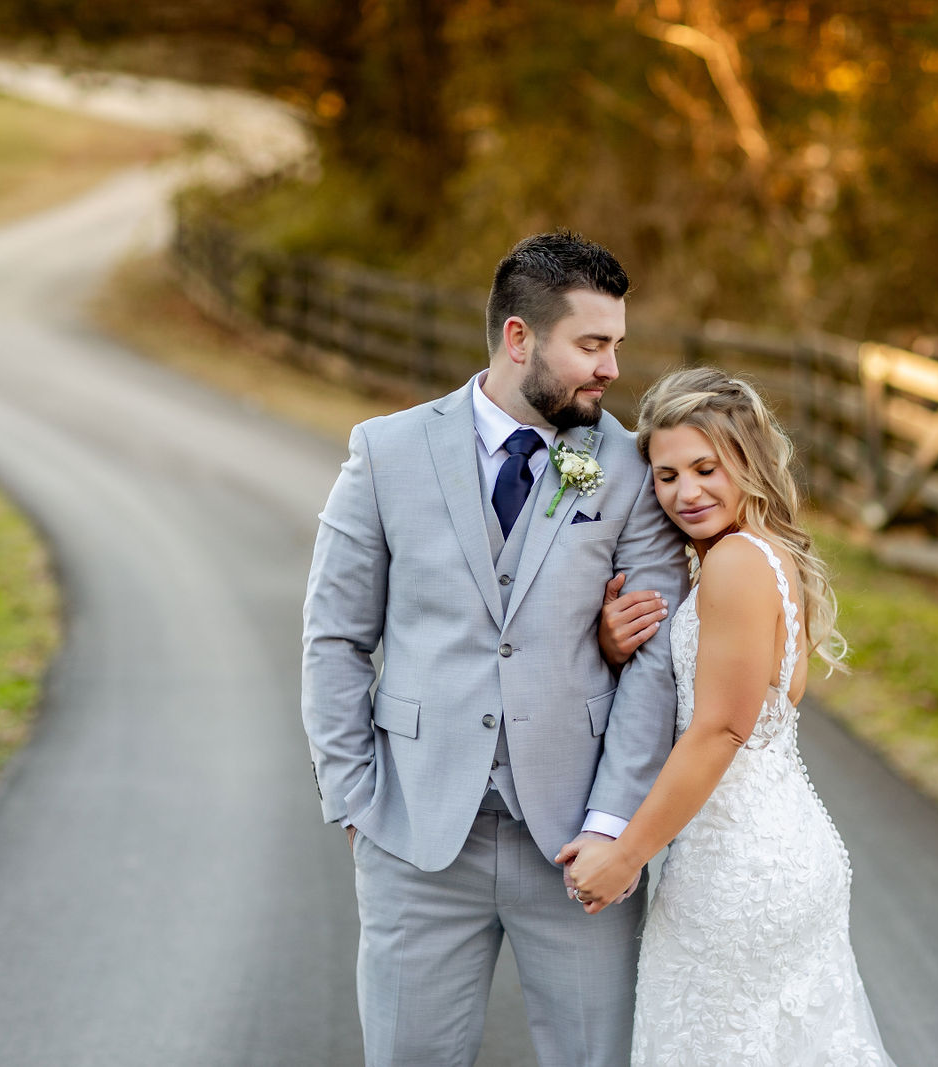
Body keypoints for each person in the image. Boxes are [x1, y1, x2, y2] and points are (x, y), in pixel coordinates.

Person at [300, 230, 690, 1066]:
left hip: (580, 843)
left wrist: (616, 824)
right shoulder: (386, 451)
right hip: (415, 835)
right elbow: (334, 636)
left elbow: (658, 657)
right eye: (592, 344)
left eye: (616, 344)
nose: (612, 369)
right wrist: (355, 798)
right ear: (520, 338)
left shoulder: (628, 466)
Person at [556, 367, 897, 1066]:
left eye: (706, 467)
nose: (686, 492)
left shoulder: (736, 563)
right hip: (780, 850)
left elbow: (721, 728)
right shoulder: (768, 557)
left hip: (737, 874)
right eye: (666, 474)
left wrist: (626, 854)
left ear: (749, 460)